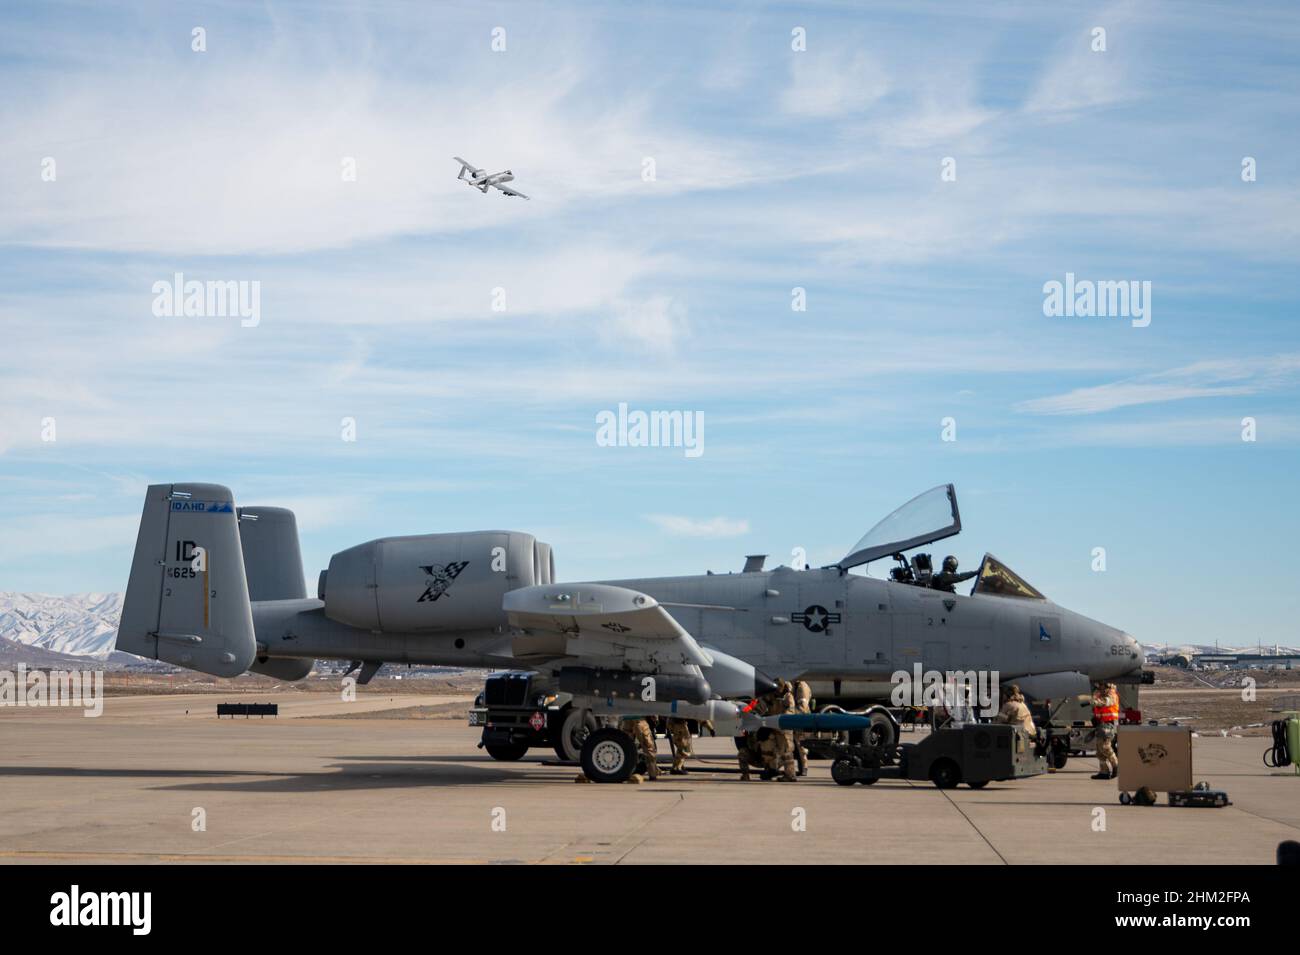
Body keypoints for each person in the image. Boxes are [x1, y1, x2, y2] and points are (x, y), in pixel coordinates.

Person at [1091, 681, 1120, 780]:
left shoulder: (1111, 694)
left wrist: (1093, 700)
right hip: (1101, 724)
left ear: (1107, 686)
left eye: (1101, 686)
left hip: (1108, 724)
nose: (1099, 688)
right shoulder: (1100, 694)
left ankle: (1116, 766)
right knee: (1099, 751)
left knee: (1105, 747)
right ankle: (1104, 772)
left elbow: (1105, 702)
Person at [791, 680, 813, 776]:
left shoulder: (801, 686)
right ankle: (802, 767)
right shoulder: (796, 685)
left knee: (801, 746)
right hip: (798, 718)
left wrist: (794, 715)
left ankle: (804, 768)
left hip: (800, 718)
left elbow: (802, 706)